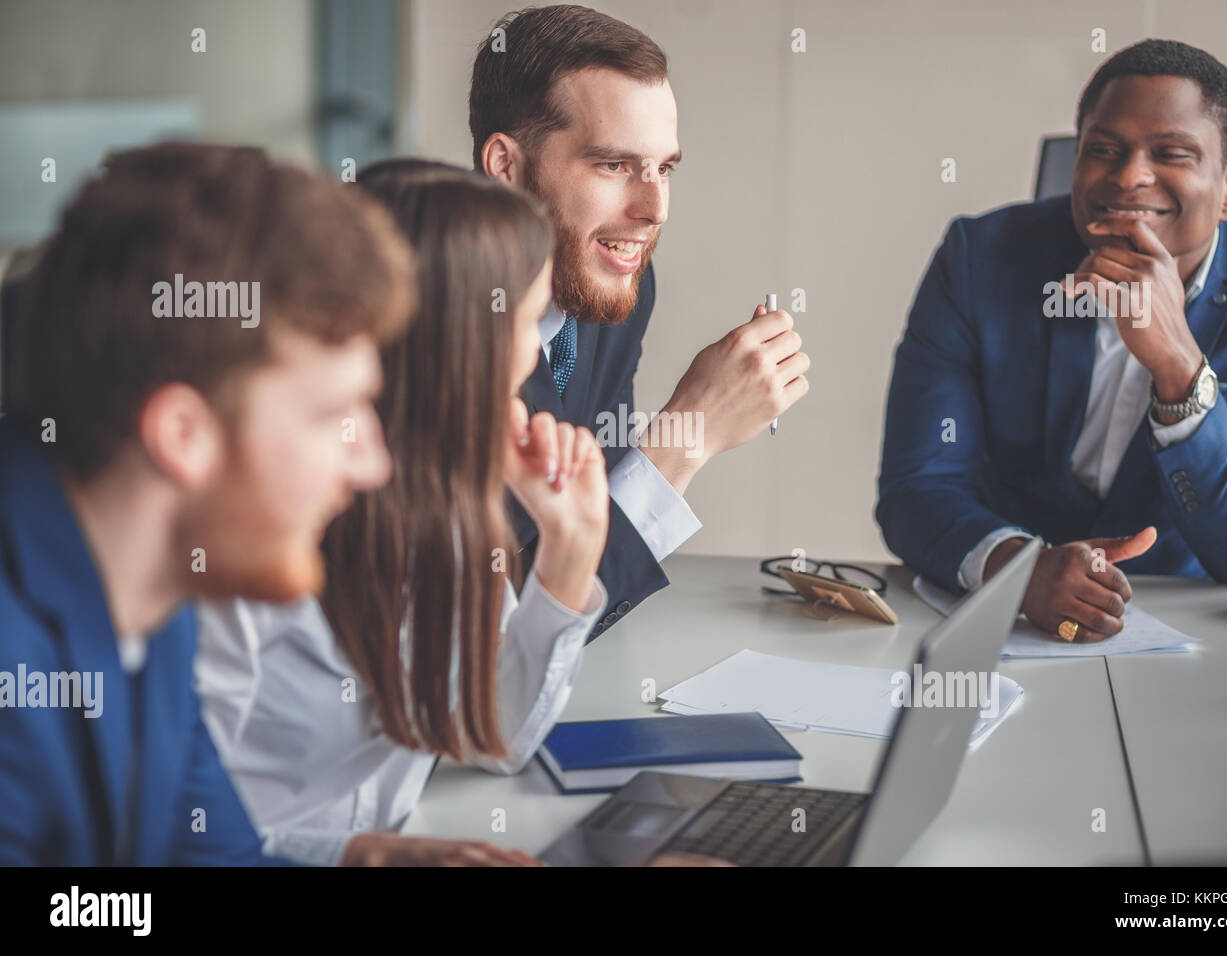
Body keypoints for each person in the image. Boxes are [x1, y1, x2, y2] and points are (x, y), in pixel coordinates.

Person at [0, 142, 414, 864]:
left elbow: (216, 860)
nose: (373, 464)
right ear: (183, 435)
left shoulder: (157, 599)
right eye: (335, 416)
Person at [195, 161, 609, 866]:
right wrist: (359, 856)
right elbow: (164, 834)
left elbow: (494, 738)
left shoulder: (446, 507)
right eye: (525, 319)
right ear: (451, 340)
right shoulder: (239, 536)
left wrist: (570, 552)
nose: (536, 349)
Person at [877, 39, 1227, 643]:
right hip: (1006, 621)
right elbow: (917, 487)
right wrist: (1019, 570)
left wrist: (1178, 365)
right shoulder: (980, 259)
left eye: (1172, 153)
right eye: (1103, 150)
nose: (1129, 176)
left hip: (1197, 631)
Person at [471, 5, 812, 637]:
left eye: (664, 168)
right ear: (506, 168)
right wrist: (689, 437)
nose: (654, 209)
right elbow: (499, 627)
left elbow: (583, 533)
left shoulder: (616, 285)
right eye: (613, 165)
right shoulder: (424, 327)